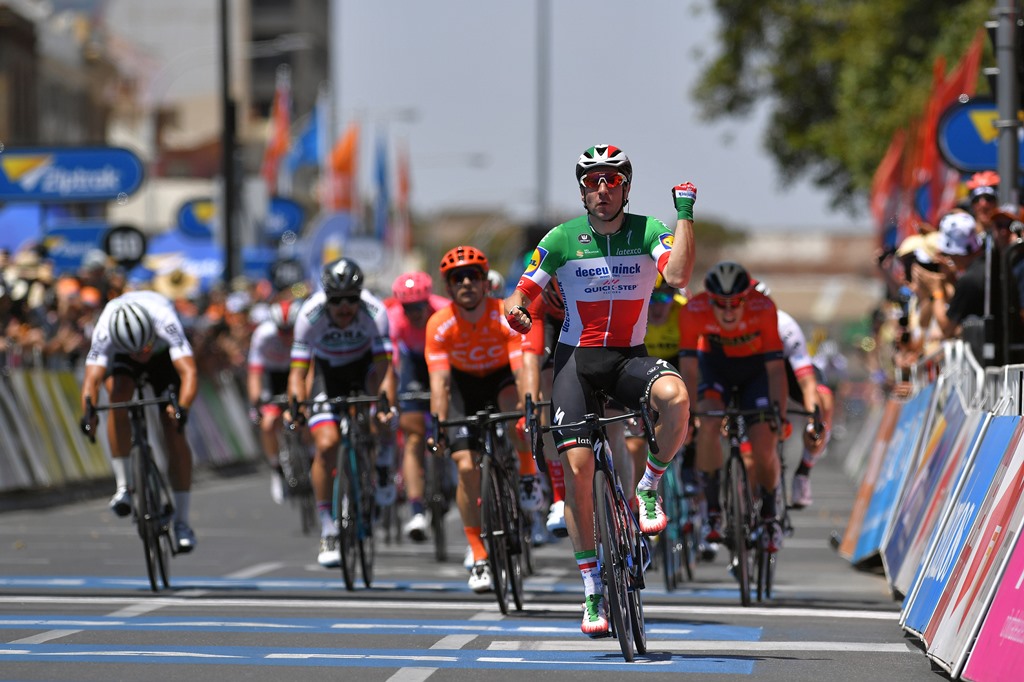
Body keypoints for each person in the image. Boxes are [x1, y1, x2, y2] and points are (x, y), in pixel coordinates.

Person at [503, 144, 694, 636]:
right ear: (583, 190)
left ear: (625, 186)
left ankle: (649, 486)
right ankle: (591, 589)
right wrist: (517, 310)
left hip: (629, 358)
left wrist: (684, 214)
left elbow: (675, 276)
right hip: (576, 364)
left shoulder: (649, 230)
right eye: (592, 181)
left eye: (611, 179)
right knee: (579, 470)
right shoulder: (563, 237)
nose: (602, 189)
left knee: (677, 397)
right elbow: (520, 291)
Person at [425, 245, 542, 593]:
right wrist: (438, 426)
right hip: (463, 387)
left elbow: (520, 370)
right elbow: (440, 384)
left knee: (515, 412)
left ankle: (527, 476)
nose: (466, 283)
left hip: (500, 380)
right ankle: (478, 553)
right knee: (464, 467)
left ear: (485, 281)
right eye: (457, 278)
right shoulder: (439, 324)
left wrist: (528, 410)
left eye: (473, 276)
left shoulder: (502, 314)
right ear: (447, 287)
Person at [286, 258, 397, 568]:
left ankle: (384, 462)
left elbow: (385, 367)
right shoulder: (310, 314)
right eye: (337, 300)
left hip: (365, 369)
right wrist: (296, 406)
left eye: (352, 298)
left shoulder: (375, 312)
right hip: (327, 373)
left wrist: (385, 404)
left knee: (384, 410)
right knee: (325, 445)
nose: (345, 307)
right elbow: (298, 371)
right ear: (326, 298)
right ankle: (328, 528)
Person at [678, 262, 787, 557]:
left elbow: (776, 369)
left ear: (747, 298)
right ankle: (713, 509)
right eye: (720, 304)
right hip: (715, 369)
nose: (727, 312)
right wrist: (687, 415)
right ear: (708, 300)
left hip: (756, 373)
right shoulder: (694, 311)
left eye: (735, 303)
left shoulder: (763, 307)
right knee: (708, 425)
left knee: (765, 442)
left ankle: (769, 512)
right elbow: (688, 368)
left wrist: (780, 411)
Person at [79, 290, 199, 553]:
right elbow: (92, 381)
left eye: (143, 348)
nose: (140, 355)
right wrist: (88, 415)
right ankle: (123, 486)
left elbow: (189, 371)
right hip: (122, 359)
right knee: (117, 396)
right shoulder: (106, 329)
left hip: (163, 358)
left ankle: (182, 522)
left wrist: (183, 408)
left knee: (173, 427)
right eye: (135, 351)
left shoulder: (164, 319)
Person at [384, 271, 450, 542]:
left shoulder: (444, 310)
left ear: (428, 301)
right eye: (408, 308)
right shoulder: (393, 319)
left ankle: (446, 476)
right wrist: (391, 397)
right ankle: (416, 510)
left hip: (444, 359)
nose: (414, 313)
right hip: (413, 363)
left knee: (445, 423)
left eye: (419, 307)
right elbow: (391, 363)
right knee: (413, 437)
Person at [247, 297, 302, 503]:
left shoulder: (304, 333)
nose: (287, 335)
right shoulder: (263, 335)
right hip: (273, 376)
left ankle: (311, 456)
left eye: (291, 330)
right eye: (282, 330)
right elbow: (255, 373)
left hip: (297, 372)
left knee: (304, 417)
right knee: (268, 424)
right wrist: (256, 403)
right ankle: (276, 469)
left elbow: (313, 368)